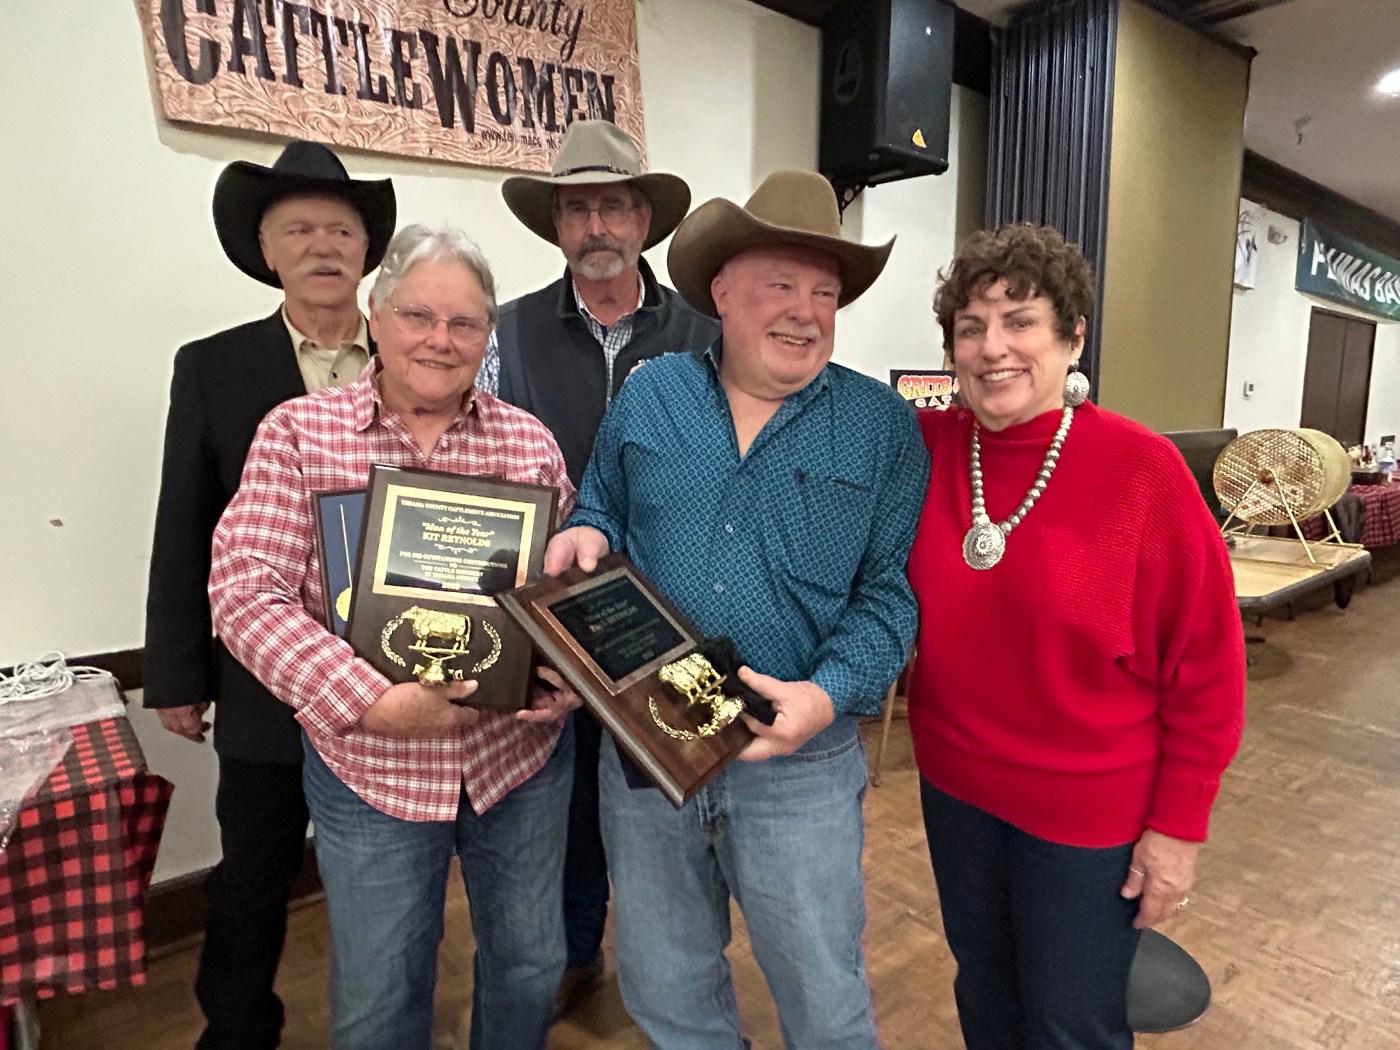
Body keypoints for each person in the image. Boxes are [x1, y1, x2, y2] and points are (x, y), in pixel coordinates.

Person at [544, 170, 929, 1048]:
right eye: (780, 287)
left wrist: (824, 699)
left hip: (800, 767)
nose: (805, 311)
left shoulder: (881, 427)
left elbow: (888, 600)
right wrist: (586, 534)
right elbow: (602, 502)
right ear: (721, 293)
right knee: (665, 985)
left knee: (825, 999)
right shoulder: (650, 391)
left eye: (825, 293)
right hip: (650, 746)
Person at [207, 224, 579, 1050]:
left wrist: (557, 680)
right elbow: (242, 592)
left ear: (489, 335)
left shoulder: (529, 441)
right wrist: (369, 701)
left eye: (465, 324)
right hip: (371, 772)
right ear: (377, 315)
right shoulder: (298, 433)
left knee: (528, 964)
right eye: (418, 316)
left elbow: (564, 593)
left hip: (516, 763)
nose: (440, 342)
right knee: (379, 996)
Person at [906, 223, 1246, 1050]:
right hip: (956, 792)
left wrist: (1177, 831)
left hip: (1088, 815)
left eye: (1020, 321)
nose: (994, 349)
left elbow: (1209, 670)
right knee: (984, 992)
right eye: (971, 328)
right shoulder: (926, 448)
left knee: (1073, 1023)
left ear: (1072, 336)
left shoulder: (1141, 471)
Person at [143, 139, 395, 1050]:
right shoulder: (213, 366)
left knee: (382, 870)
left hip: (391, 671)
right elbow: (185, 522)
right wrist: (178, 672)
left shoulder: (415, 356)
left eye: (341, 228)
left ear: (367, 250)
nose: (323, 245)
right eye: (300, 230)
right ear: (266, 248)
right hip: (265, 675)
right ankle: (237, 1028)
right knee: (254, 866)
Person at [481, 117, 719, 1006]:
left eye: (613, 205)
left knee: (676, 795)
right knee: (566, 800)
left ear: (644, 217)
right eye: (577, 209)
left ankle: (685, 966)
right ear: (555, 224)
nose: (597, 227)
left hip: (676, 615)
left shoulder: (706, 332)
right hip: (546, 616)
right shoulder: (503, 333)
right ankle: (577, 950)